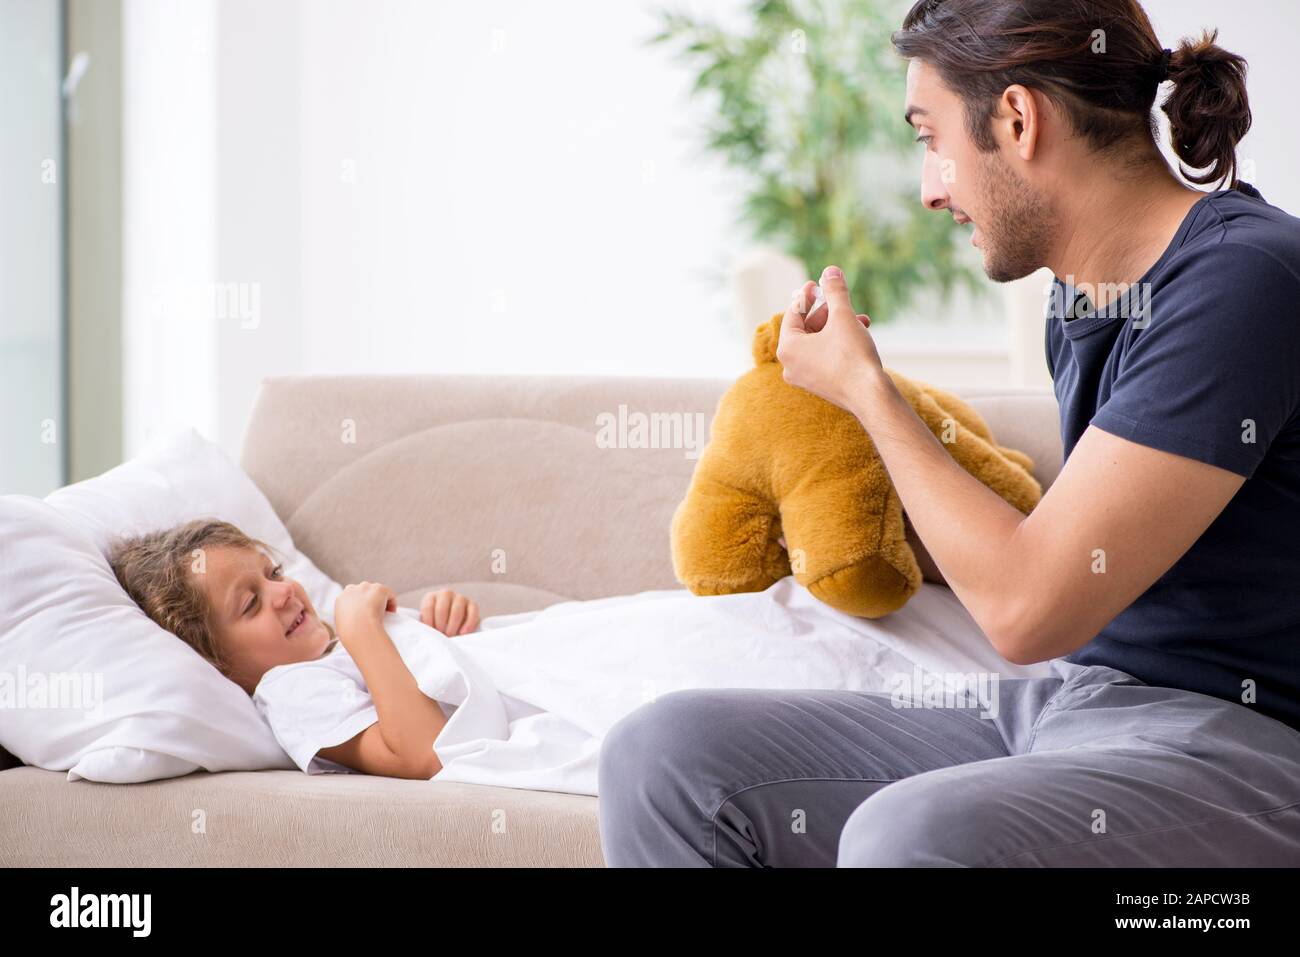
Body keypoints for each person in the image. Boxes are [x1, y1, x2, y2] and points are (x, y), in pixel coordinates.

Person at [597, 0, 1300, 866]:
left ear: (1017, 118)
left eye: (932, 139)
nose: (931, 188)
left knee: (911, 834)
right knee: (663, 757)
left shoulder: (1248, 281)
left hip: (1249, 750)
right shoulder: (1078, 301)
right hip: (1075, 707)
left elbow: (1027, 606)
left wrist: (867, 391)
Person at [109, 518, 480, 779]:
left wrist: (448, 623)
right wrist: (363, 631)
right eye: (250, 604)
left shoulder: (337, 649)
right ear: (220, 666)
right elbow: (426, 755)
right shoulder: (290, 689)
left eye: (274, 574)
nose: (284, 591)